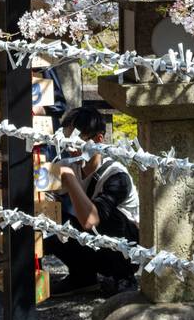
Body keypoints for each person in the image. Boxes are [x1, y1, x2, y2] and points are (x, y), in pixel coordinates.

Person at [44, 105, 140, 298]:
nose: (70, 149)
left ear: (98, 140)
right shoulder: (69, 165)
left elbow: (91, 221)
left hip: (123, 253)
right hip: (92, 246)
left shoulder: (116, 176)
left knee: (110, 216)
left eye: (76, 142)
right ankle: (83, 276)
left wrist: (69, 179)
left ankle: (124, 278)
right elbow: (38, 189)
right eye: (66, 141)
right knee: (47, 214)